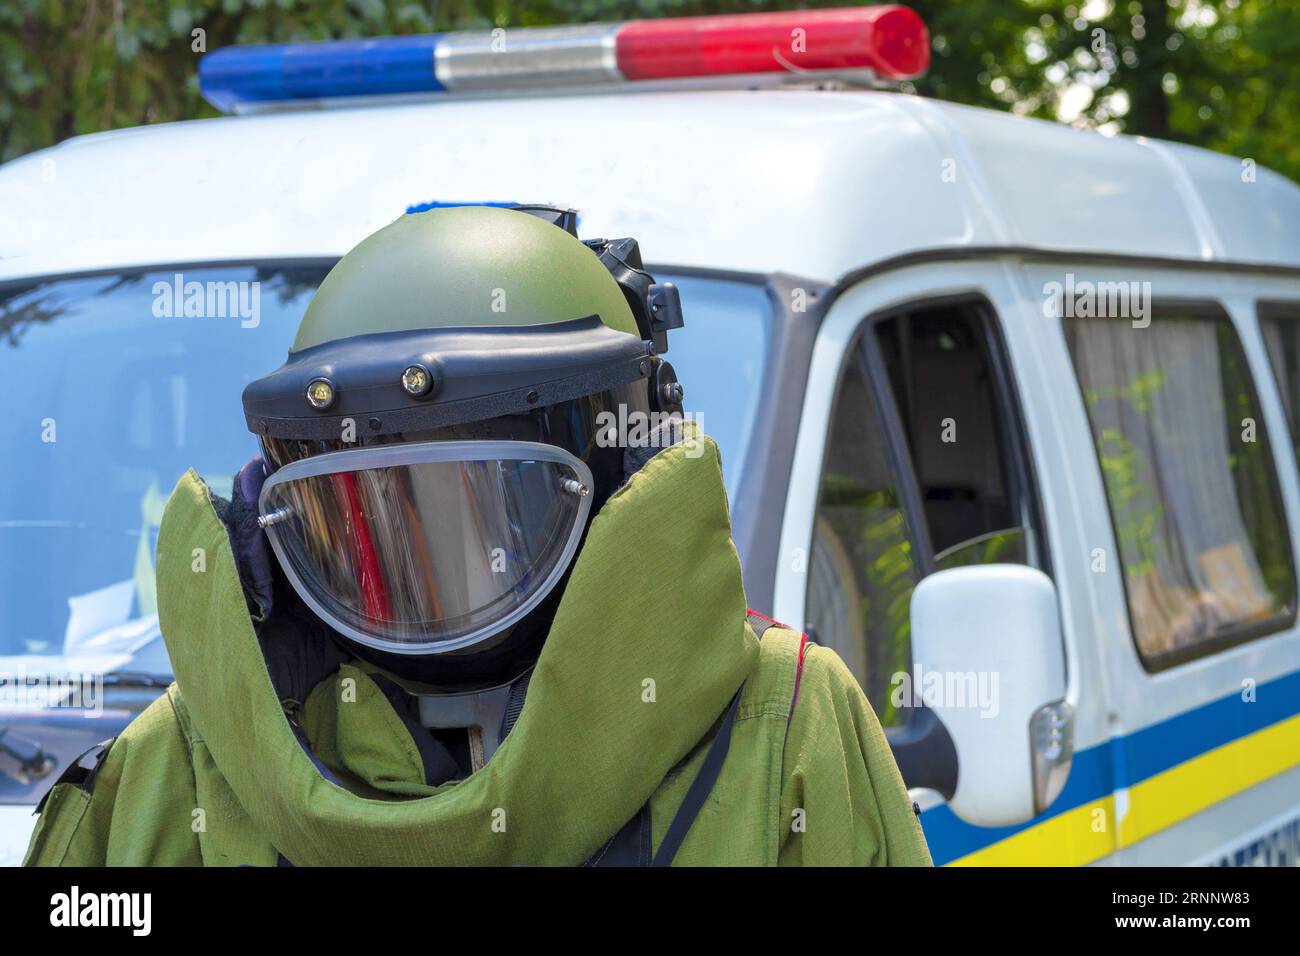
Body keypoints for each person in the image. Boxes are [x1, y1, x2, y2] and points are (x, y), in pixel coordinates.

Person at [25, 204, 931, 866]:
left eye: (492, 513)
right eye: (364, 529)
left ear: (620, 489)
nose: (435, 586)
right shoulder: (782, 722)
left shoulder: (179, 760)